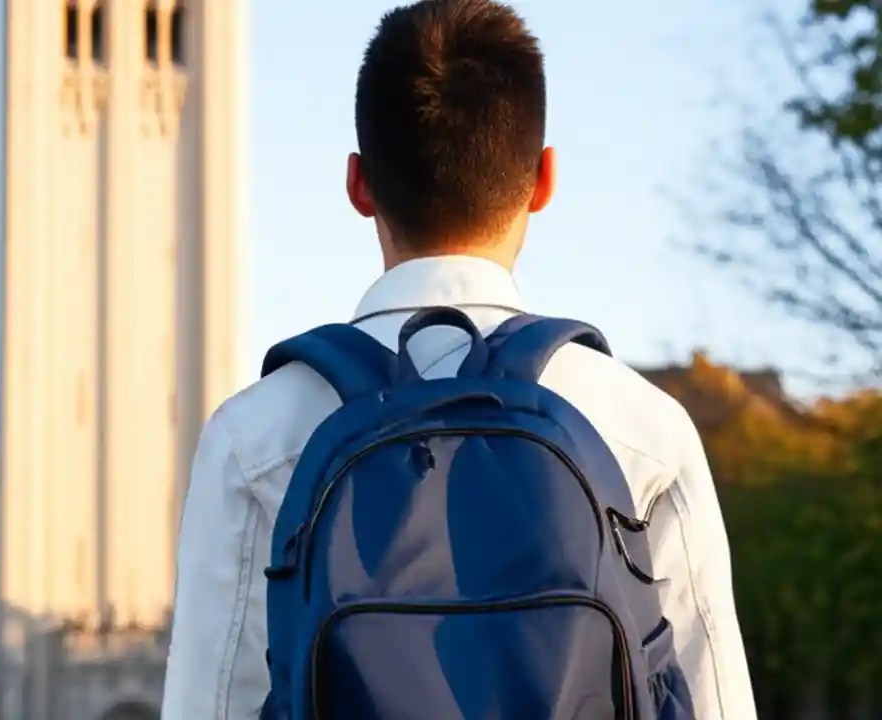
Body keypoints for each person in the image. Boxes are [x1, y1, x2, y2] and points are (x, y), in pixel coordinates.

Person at [161, 0, 758, 717]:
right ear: (543, 180)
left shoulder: (254, 436)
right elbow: (713, 699)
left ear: (358, 184)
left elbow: (212, 700)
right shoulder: (643, 429)